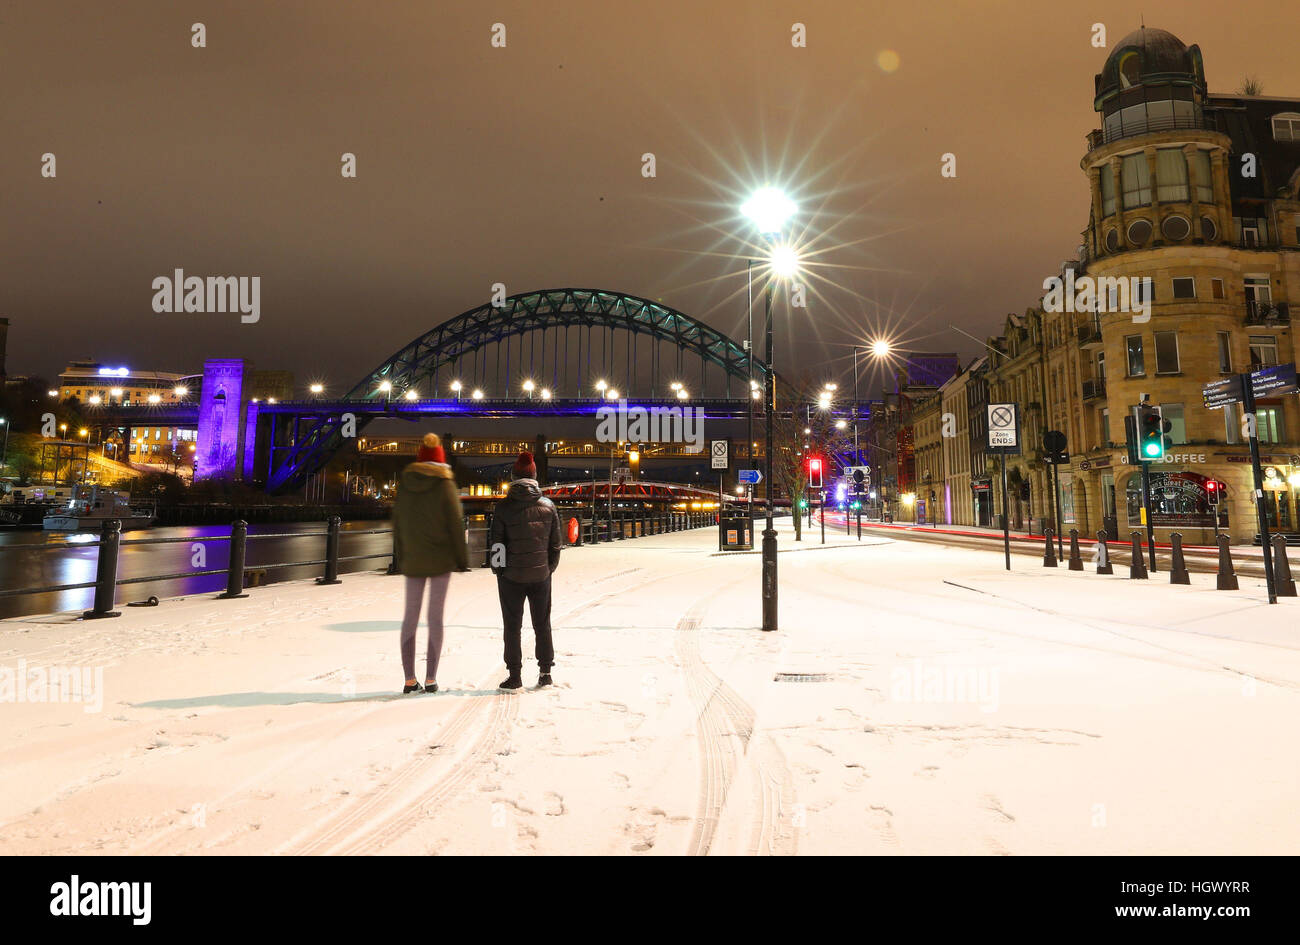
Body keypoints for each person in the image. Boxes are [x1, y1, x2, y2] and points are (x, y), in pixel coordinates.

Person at [392, 433, 469, 694]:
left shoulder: (405, 484)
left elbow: (398, 524)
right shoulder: (445, 485)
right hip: (441, 560)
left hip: (413, 559)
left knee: (410, 617)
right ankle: (431, 678)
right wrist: (461, 559)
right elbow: (456, 525)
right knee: (435, 617)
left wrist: (402, 557)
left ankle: (409, 679)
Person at [489, 451, 561, 690]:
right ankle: (545, 673)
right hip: (541, 576)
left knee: (512, 627)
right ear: (534, 476)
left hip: (511, 578)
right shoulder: (549, 506)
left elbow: (497, 546)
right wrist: (547, 569)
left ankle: (515, 676)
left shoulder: (503, 508)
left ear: (513, 476)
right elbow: (555, 545)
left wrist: (500, 571)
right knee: (542, 624)